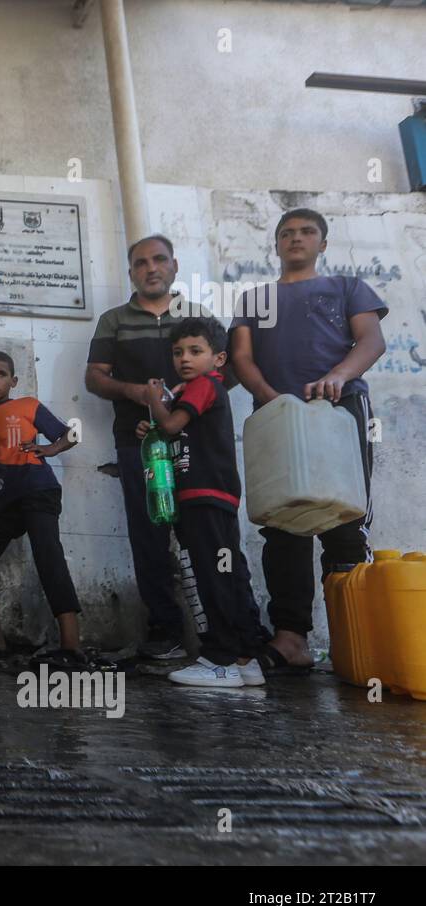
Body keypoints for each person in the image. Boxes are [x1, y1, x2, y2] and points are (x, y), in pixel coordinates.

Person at [230, 208, 386, 675]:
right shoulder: (256, 297)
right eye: (286, 233)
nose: (295, 239)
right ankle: (292, 638)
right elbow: (241, 357)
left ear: (323, 242)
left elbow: (371, 341)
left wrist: (338, 376)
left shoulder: (347, 288)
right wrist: (272, 399)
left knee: (343, 520)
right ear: (275, 244)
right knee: (284, 523)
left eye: (306, 232)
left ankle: (353, 639)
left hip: (338, 414)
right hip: (277, 419)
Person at [86, 235, 230, 661]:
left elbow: (224, 373)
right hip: (139, 445)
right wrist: (134, 392)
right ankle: (165, 633)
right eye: (141, 262)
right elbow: (94, 378)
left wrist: (188, 398)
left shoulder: (198, 317)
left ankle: (224, 638)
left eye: (159, 260)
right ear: (131, 272)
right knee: (148, 535)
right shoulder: (114, 320)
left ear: (174, 266)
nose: (151, 268)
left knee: (203, 535)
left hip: (195, 447)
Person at [140, 318, 266, 688]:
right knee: (229, 575)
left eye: (196, 351)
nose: (185, 358)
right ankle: (246, 659)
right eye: (178, 352)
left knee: (210, 576)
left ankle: (220, 659)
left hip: (203, 495)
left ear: (219, 357)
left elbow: (173, 425)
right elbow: (174, 430)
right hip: (215, 498)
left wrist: (154, 404)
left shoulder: (203, 385)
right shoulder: (200, 389)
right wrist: (157, 424)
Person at [0, 351, 83, 666]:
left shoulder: (27, 405)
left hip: (38, 491)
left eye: (1, 374)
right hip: (4, 503)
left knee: (48, 556)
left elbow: (71, 434)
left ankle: (71, 645)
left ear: (12, 380)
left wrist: (50, 448)